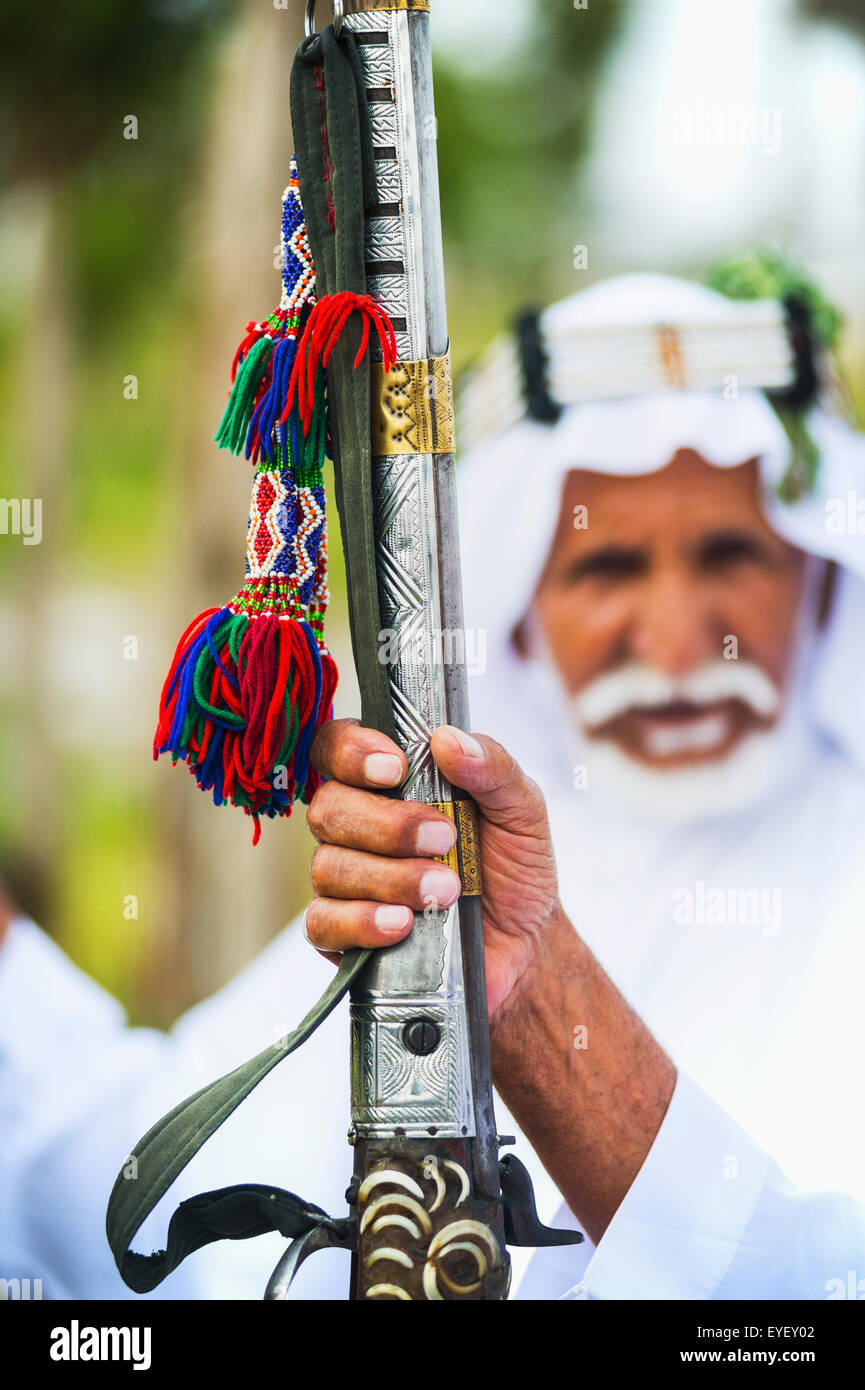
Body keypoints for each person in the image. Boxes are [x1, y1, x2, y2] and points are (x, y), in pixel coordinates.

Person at [2, 270, 865, 1300]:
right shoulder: (452, 856)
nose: (678, 640)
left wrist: (541, 998)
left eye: (732, 553)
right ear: (518, 604)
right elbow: (162, 1231)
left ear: (820, 570)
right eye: (608, 569)